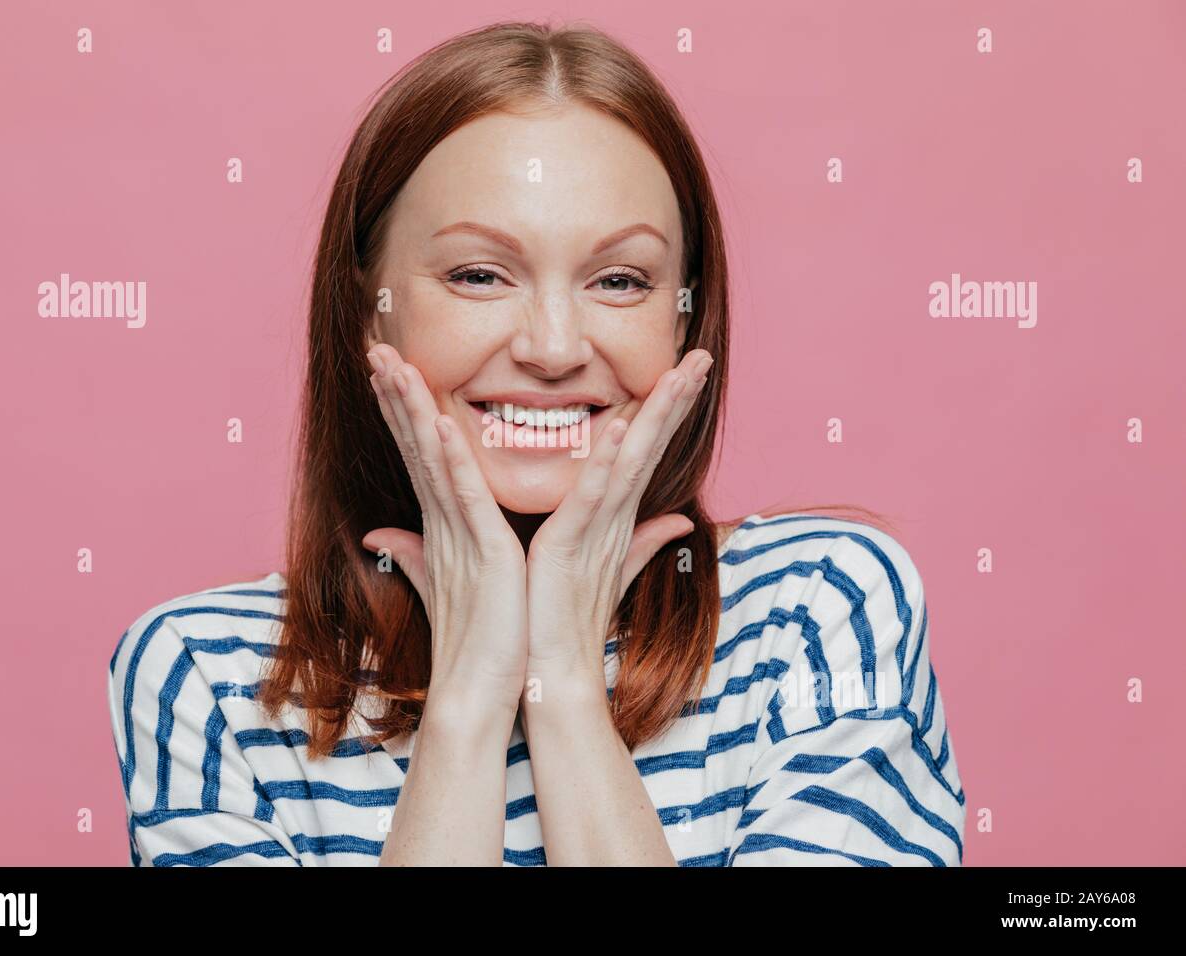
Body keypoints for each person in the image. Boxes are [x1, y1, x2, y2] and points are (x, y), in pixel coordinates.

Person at [107, 20, 965, 866]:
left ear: (685, 315)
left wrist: (562, 690)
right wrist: (470, 698)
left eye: (621, 280)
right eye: (479, 275)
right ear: (365, 302)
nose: (554, 348)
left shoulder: (819, 613)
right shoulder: (208, 680)